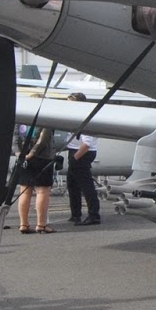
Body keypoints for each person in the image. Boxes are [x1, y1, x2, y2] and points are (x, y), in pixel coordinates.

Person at [64, 92, 101, 225]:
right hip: (76, 151)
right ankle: (75, 214)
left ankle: (94, 214)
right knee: (72, 184)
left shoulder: (86, 118)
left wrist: (75, 157)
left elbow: (87, 143)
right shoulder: (75, 117)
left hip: (82, 153)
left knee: (86, 185)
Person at [14, 124, 58, 233]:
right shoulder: (44, 115)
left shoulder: (21, 116)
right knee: (42, 191)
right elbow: (43, 138)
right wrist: (32, 153)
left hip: (22, 157)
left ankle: (23, 224)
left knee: (24, 191)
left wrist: (19, 153)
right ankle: (41, 225)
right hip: (43, 157)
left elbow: (14, 137)